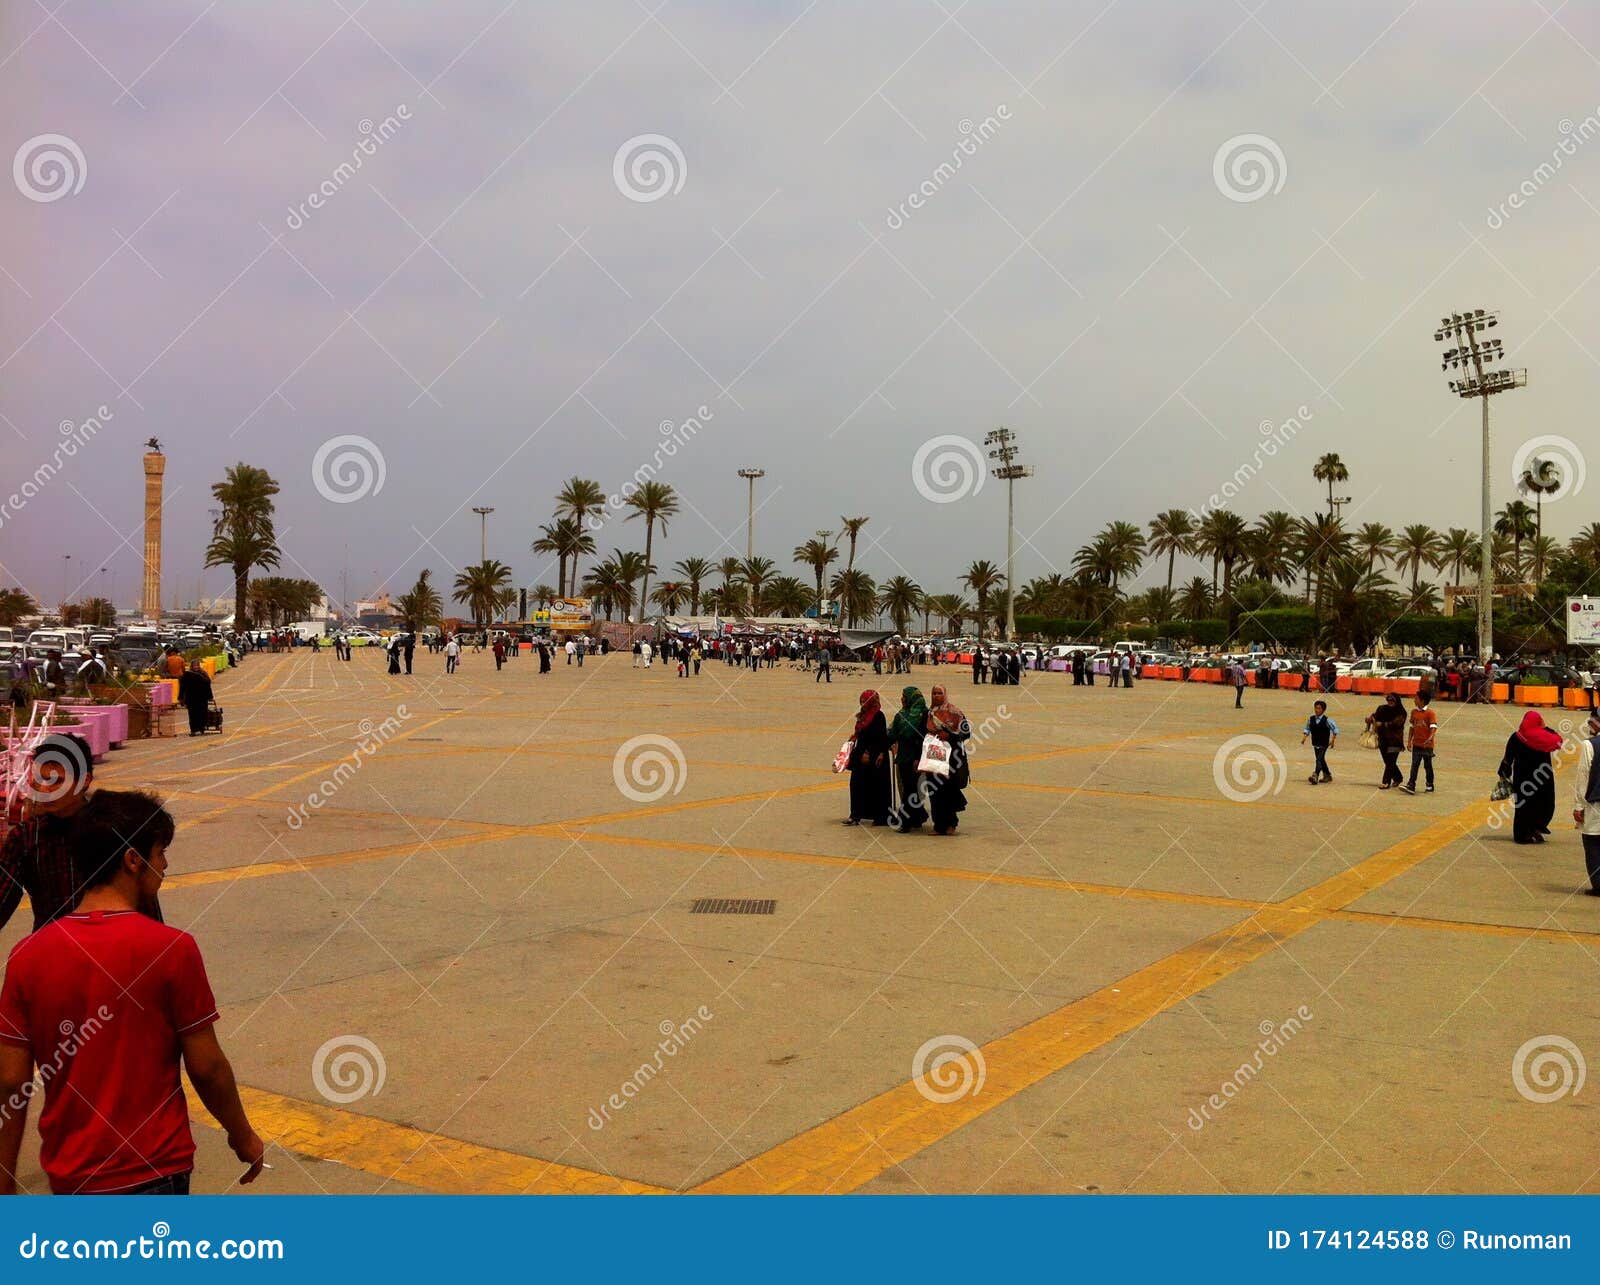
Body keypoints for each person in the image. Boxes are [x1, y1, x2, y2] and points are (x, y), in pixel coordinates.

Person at [0, 790, 265, 1195]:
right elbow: (207, 1067)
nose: (165, 865)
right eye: (160, 853)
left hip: (73, 1178)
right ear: (132, 860)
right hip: (156, 1169)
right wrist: (242, 1134)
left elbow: (10, 1082)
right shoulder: (172, 949)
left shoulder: (27, 958)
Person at [0, 734, 165, 934]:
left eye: (56, 781)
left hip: (118, 944)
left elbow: (147, 903)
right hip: (54, 947)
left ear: (84, 781)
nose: (44, 789)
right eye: (39, 779)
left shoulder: (117, 829)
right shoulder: (25, 838)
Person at [1498, 710, 1562, 844]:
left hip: (1523, 779)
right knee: (1544, 804)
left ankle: (1522, 835)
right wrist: (1545, 728)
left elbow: (1508, 758)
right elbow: (1558, 741)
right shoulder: (1545, 737)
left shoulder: (1516, 737)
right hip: (1543, 779)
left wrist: (1504, 775)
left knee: (1523, 807)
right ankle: (1536, 828)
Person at [924, 684, 971, 835]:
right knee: (934, 791)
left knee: (948, 790)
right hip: (933, 756)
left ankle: (951, 824)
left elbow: (966, 733)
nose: (936, 696)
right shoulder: (928, 713)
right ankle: (938, 825)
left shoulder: (954, 712)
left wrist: (949, 736)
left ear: (945, 695)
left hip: (951, 758)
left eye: (939, 693)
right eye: (934, 693)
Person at [844, 690, 891, 826]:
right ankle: (855, 814)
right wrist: (855, 737)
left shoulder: (878, 716)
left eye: (865, 701)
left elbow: (880, 737)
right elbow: (861, 732)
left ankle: (879, 816)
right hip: (860, 755)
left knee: (876, 787)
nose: (862, 704)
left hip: (874, 756)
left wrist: (870, 753)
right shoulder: (862, 716)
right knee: (856, 784)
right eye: (861, 701)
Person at [887, 686, 929, 831]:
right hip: (903, 757)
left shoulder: (924, 715)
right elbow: (892, 734)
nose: (902, 699)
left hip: (916, 757)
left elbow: (923, 738)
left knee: (909, 790)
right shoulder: (901, 715)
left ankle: (905, 822)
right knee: (909, 789)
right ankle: (918, 817)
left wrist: (918, 757)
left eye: (905, 696)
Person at [1573, 711, 1600, 895]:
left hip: (1595, 803)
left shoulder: (1590, 745)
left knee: (1593, 842)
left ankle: (1598, 885)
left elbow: (1583, 776)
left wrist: (1578, 806)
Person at [1365, 693, 1407, 789]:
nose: (1390, 702)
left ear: (1397, 701)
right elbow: (1375, 717)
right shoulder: (1382, 709)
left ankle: (1386, 782)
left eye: (1392, 700)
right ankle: (1398, 777)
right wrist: (1369, 720)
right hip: (1383, 739)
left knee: (1390, 761)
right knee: (1387, 761)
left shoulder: (1401, 711)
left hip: (1395, 740)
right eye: (1388, 700)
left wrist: (1382, 724)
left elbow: (1396, 724)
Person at [1398, 693, 1437, 795]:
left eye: (1416, 699)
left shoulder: (1430, 713)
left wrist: (1430, 738)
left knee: (1427, 765)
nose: (1414, 700)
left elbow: (1433, 727)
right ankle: (1411, 785)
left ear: (1422, 701)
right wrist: (1409, 741)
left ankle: (1429, 784)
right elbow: (1412, 727)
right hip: (1416, 744)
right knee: (1414, 765)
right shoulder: (1414, 712)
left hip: (1427, 746)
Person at [1300, 699, 1338, 784]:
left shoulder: (1327, 720)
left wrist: (1332, 741)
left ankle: (1315, 775)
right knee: (1321, 759)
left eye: (1319, 708)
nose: (1317, 710)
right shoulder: (1311, 719)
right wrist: (1304, 737)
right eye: (1316, 708)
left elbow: (1335, 730)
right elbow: (1307, 728)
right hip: (1315, 742)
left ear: (1323, 710)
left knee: (1318, 759)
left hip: (1324, 743)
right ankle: (1327, 775)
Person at [178, 660, 213, 737]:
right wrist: (181, 698)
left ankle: (201, 728)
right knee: (192, 714)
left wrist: (210, 696)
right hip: (191, 698)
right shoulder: (187, 675)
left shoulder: (203, 673)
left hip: (202, 698)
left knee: (202, 713)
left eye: (197, 666)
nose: (196, 667)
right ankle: (193, 730)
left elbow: (208, 684)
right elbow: (182, 687)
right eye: (194, 666)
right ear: (191, 666)